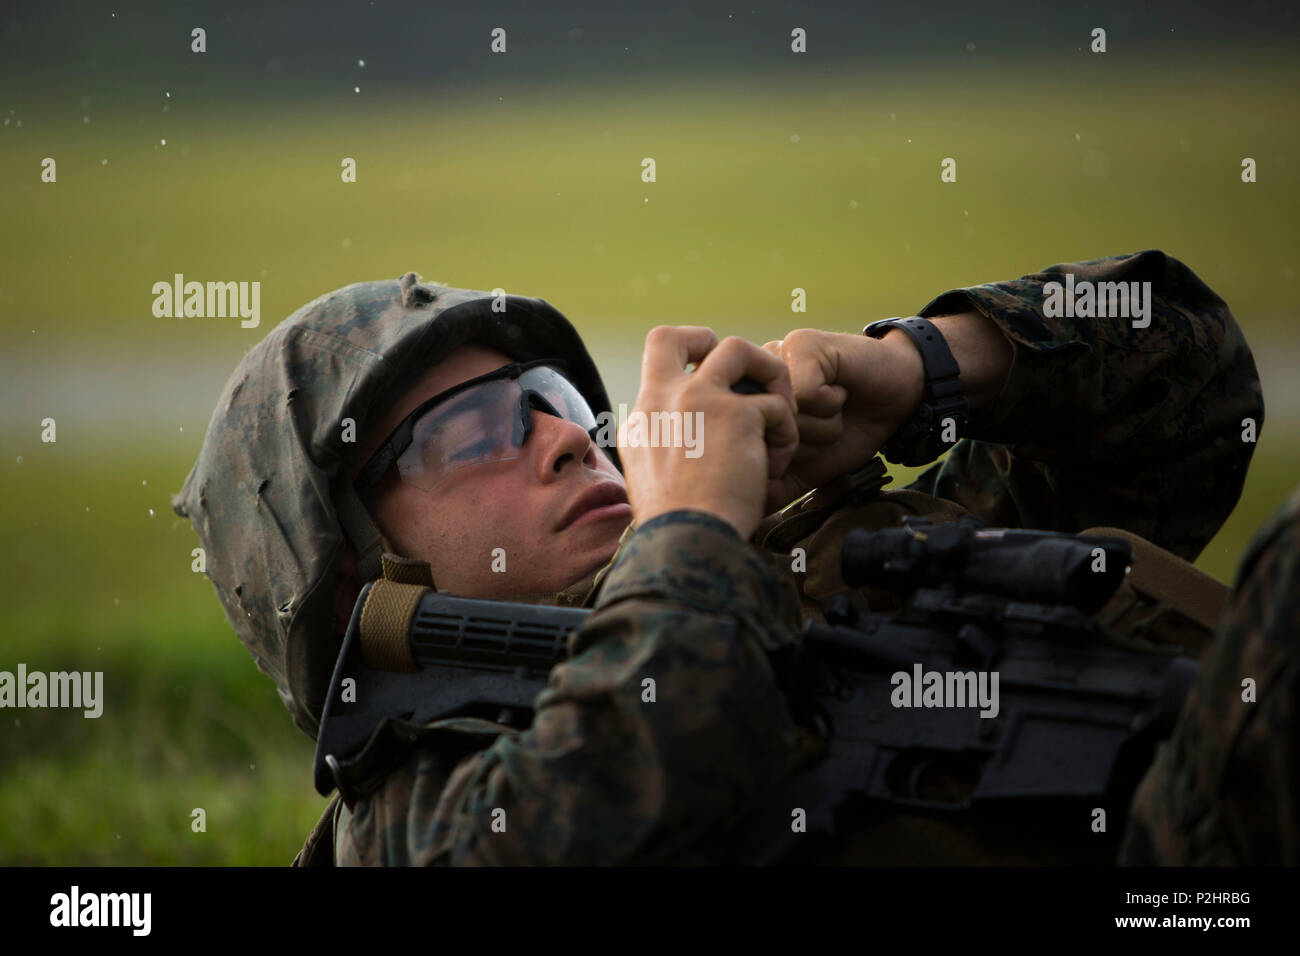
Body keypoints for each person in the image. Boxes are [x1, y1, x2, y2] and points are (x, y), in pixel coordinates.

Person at [171, 251, 1264, 865]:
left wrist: (918, 371)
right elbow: (621, 811)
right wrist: (686, 533)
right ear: (356, 567)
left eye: (549, 401)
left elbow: (1196, 407)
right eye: (469, 433)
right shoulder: (421, 810)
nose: (562, 435)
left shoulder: (794, 564)